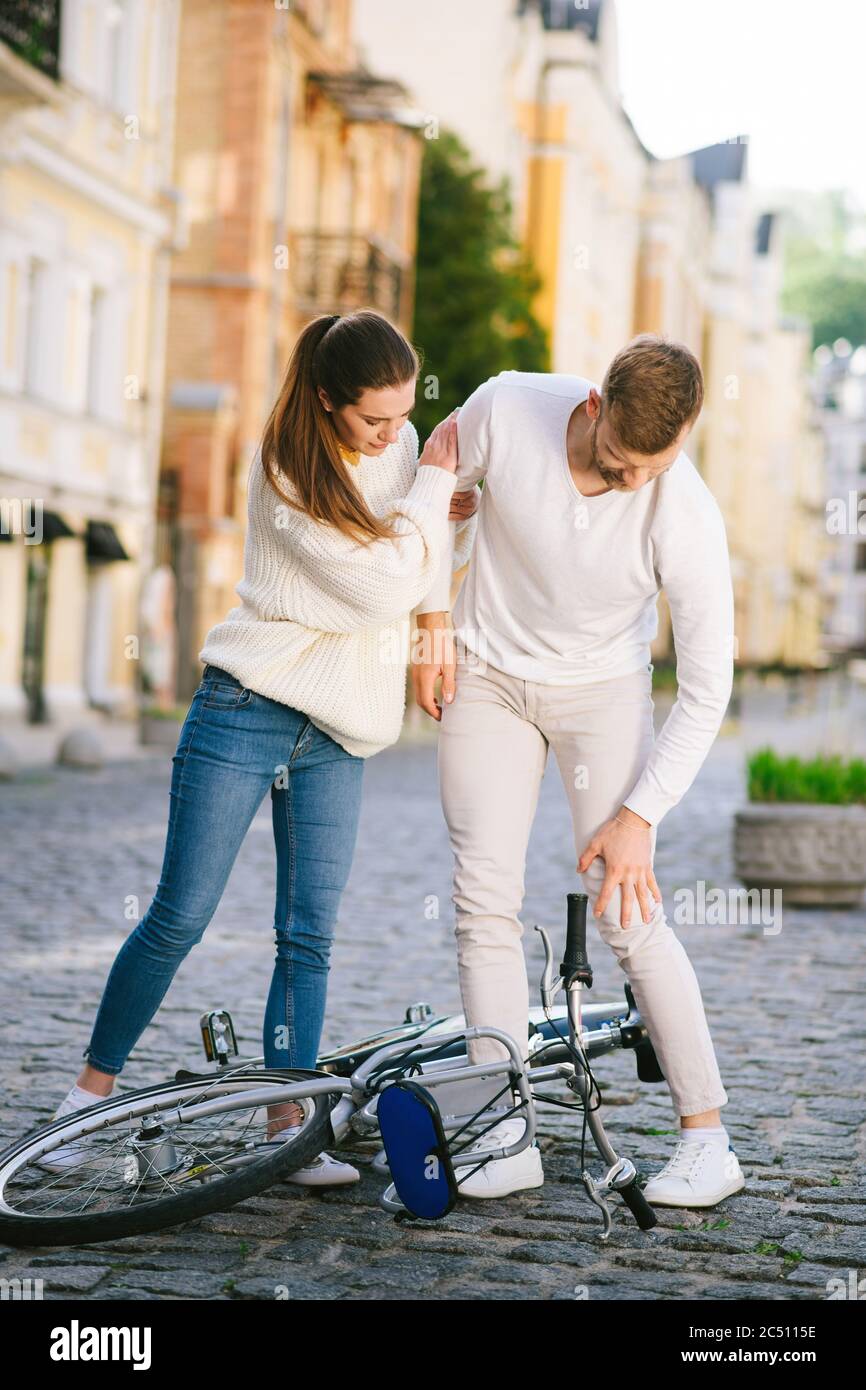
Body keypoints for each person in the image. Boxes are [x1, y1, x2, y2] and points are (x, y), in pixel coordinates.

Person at [42, 309, 478, 1186]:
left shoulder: (406, 450)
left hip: (340, 724)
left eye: (403, 417)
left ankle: (288, 1118)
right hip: (248, 703)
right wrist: (431, 495)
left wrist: (436, 640)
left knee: (307, 934)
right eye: (374, 420)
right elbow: (381, 579)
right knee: (180, 915)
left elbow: (426, 565)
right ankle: (85, 1099)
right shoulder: (284, 468)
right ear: (325, 400)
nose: (396, 433)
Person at [413, 335, 745, 1207]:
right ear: (593, 404)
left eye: (656, 467)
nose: (635, 483)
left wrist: (639, 816)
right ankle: (502, 1132)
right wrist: (429, 617)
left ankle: (707, 1140)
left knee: (629, 910)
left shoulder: (683, 508)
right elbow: (430, 475)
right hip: (485, 677)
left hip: (602, 696)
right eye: (623, 463)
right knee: (482, 901)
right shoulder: (507, 405)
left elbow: (709, 686)